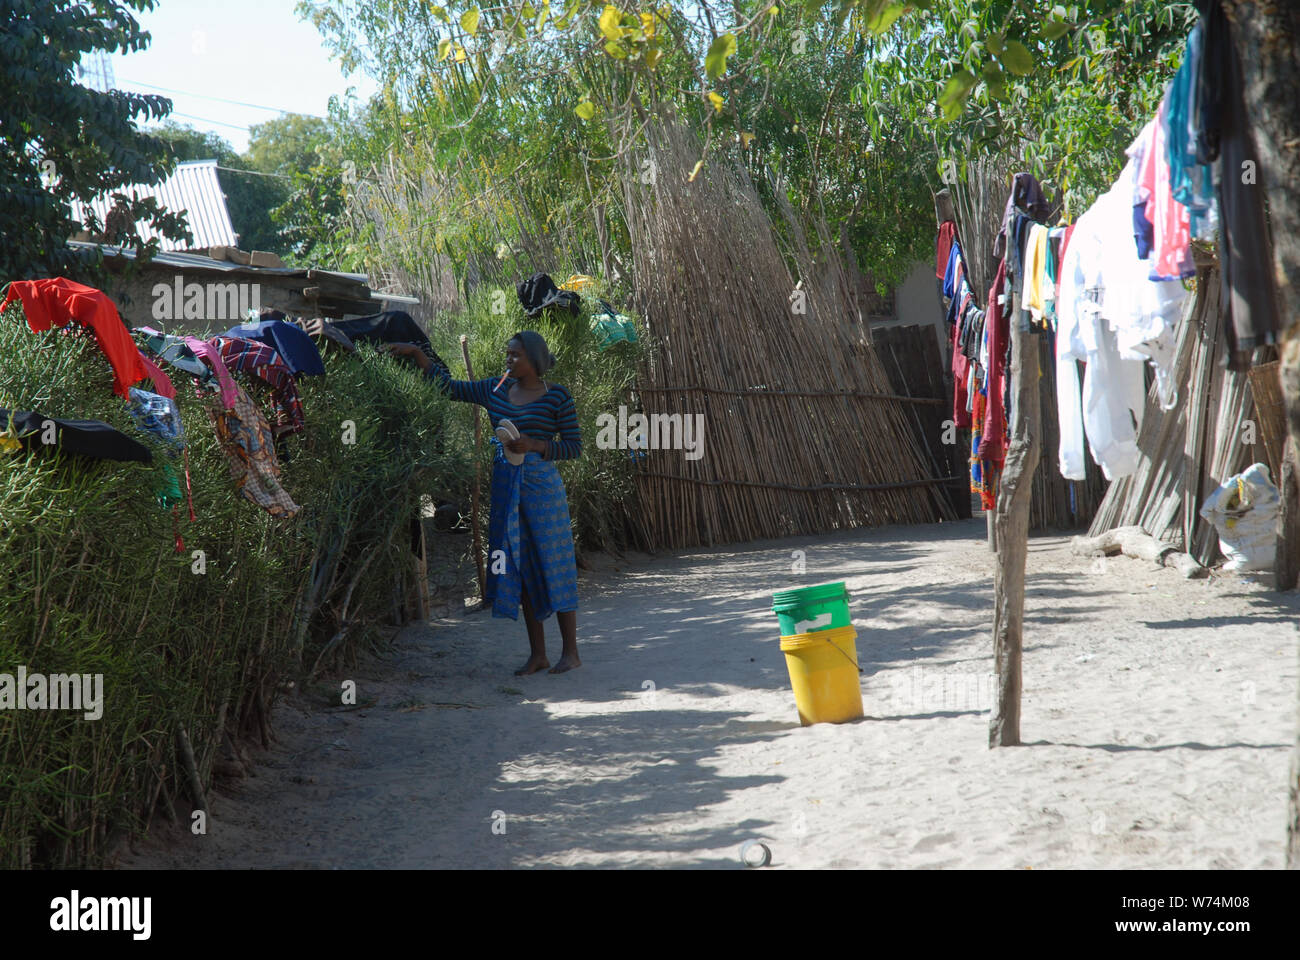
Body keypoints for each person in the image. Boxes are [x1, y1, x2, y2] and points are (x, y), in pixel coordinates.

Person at [386, 331, 582, 674]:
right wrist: (418, 356)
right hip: (507, 484)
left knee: (556, 562)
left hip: (543, 490)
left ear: (534, 359)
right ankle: (538, 654)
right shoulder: (496, 388)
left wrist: (536, 445)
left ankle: (571, 652)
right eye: (507, 354)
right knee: (518, 564)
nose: (508, 360)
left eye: (516, 355)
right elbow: (450, 389)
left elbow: (573, 446)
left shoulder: (557, 397)